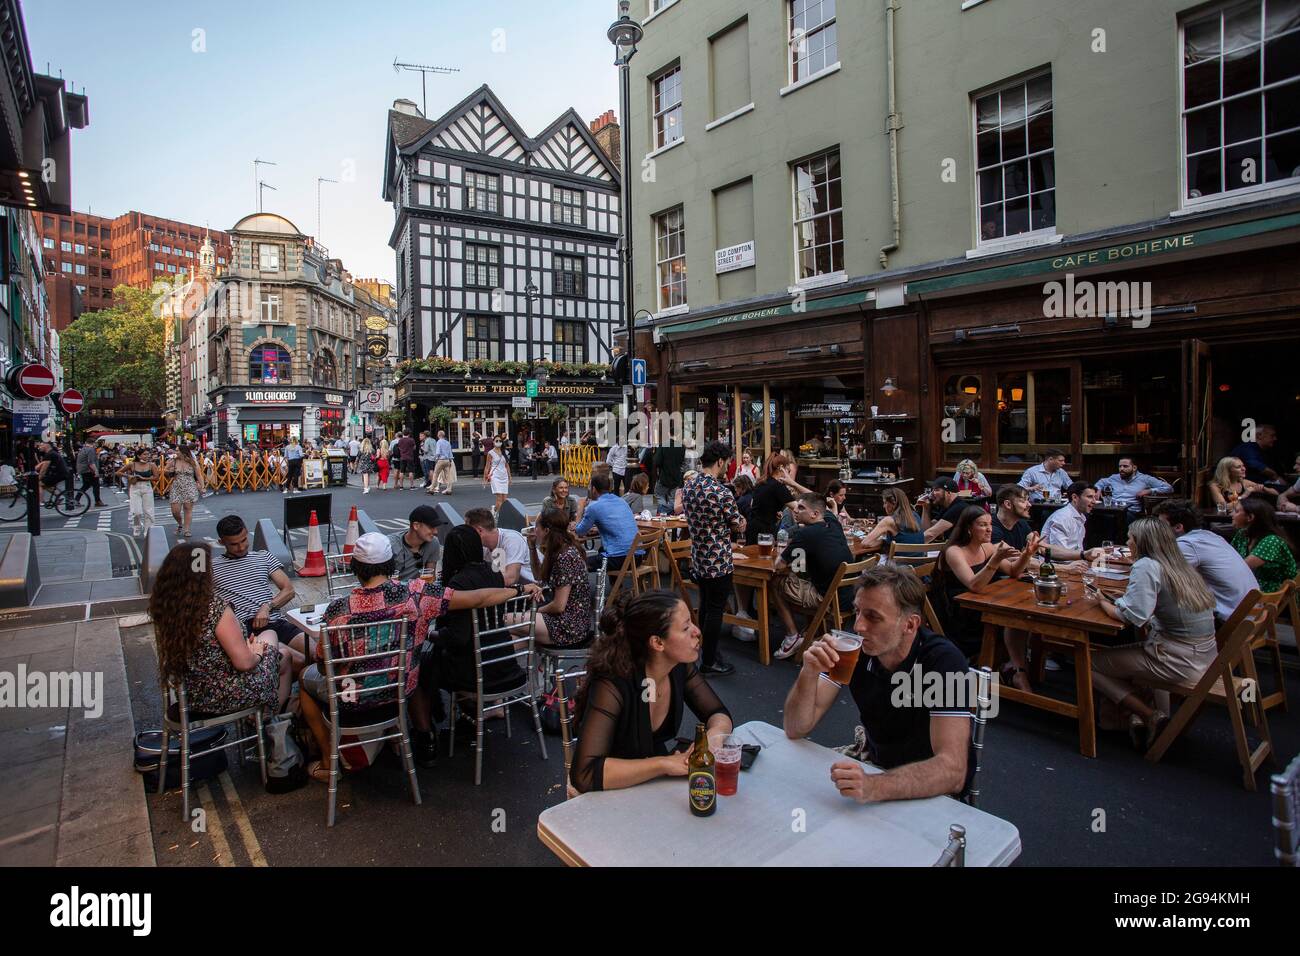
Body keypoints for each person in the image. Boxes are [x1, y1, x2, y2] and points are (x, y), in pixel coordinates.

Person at [783, 565, 973, 802]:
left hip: (930, 788)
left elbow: (952, 771)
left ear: (910, 625)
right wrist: (808, 673)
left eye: (873, 617)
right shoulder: (855, 650)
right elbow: (796, 727)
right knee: (792, 792)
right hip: (875, 765)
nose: (858, 626)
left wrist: (874, 787)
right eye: (857, 611)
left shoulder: (943, 662)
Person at [298, 532, 436, 774]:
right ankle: (396, 738)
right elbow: (469, 597)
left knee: (304, 679)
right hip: (400, 690)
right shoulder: (415, 595)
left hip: (353, 699)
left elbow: (322, 667)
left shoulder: (337, 610)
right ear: (391, 564)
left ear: (355, 568)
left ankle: (329, 763)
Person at [571, 590, 733, 793]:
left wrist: (714, 736)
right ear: (657, 643)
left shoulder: (679, 667)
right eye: (685, 628)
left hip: (652, 785)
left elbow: (718, 713)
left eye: (692, 622)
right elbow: (585, 775)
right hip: (611, 790)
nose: (697, 631)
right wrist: (663, 763)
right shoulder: (612, 684)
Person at [1092, 518, 1218, 751]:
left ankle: (1150, 715)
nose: (1127, 542)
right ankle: (1134, 718)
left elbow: (1134, 616)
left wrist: (1101, 601)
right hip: (1208, 658)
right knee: (1132, 648)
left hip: (1177, 660)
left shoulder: (1147, 565)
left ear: (1141, 542)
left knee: (1090, 664)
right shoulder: (1181, 564)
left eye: (1130, 538)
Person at [151, 543, 302, 717]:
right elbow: (244, 663)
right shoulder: (215, 608)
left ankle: (271, 714)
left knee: (272, 639)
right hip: (227, 694)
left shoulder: (166, 610)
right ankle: (268, 717)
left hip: (192, 695)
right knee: (282, 653)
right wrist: (257, 653)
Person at [425, 525, 543, 706]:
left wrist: (428, 634)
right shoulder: (494, 573)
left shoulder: (458, 583)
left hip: (478, 672)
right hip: (504, 664)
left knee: (426, 663)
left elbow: (458, 637)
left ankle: (432, 723)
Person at [929, 505, 1038, 659]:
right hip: (958, 614)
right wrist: (995, 559)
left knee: (1022, 618)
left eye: (990, 524)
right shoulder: (954, 551)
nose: (989, 529)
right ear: (968, 528)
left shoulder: (986, 547)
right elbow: (974, 585)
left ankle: (1014, 665)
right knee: (1014, 620)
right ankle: (1009, 664)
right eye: (983, 525)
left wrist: (1027, 554)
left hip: (980, 604)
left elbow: (1014, 571)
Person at [681, 441, 746, 676]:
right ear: (720, 462)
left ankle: (706, 653)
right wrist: (741, 522)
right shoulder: (721, 492)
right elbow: (736, 524)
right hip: (718, 557)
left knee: (706, 606)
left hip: (698, 555)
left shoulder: (689, 486)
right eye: (727, 463)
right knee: (715, 609)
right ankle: (709, 660)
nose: (727, 467)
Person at [770, 493, 853, 661]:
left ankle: (792, 637)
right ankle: (810, 630)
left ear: (815, 514)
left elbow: (779, 565)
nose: (795, 511)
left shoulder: (806, 534)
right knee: (803, 575)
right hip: (848, 596)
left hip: (828, 601)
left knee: (775, 581)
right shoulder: (834, 524)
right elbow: (823, 504)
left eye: (801, 508)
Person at [1153, 499, 1258, 625]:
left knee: (1162, 606)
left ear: (1178, 527)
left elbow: (1158, 575)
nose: (1156, 530)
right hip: (1251, 614)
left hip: (1231, 619)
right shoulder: (1211, 536)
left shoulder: (1187, 544)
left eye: (1160, 525)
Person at [211, 515, 302, 648]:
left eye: (243, 540)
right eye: (234, 544)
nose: (241, 547)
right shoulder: (211, 566)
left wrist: (267, 607)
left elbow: (289, 590)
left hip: (275, 620)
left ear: (247, 533)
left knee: (315, 653)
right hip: (244, 629)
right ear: (221, 542)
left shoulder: (264, 556)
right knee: (290, 658)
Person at [527, 508, 594, 646]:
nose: (534, 531)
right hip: (571, 620)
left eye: (536, 527)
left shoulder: (565, 556)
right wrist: (532, 547)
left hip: (568, 626)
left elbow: (559, 606)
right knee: (511, 635)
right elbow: (538, 576)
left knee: (505, 620)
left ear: (546, 531)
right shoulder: (560, 548)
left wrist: (534, 612)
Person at [574, 471, 639, 572]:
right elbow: (616, 524)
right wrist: (599, 530)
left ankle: (579, 588)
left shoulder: (594, 506)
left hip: (619, 559)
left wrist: (580, 508)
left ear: (594, 489)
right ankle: (617, 587)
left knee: (576, 563)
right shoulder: (621, 501)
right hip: (637, 557)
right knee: (602, 550)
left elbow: (579, 531)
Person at [1230, 498, 1297, 594]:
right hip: (1253, 587)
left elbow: (1241, 567)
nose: (1231, 514)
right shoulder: (1242, 534)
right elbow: (1227, 557)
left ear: (1250, 517)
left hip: (1277, 593)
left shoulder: (1272, 540)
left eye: (1236, 511)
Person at [745, 452, 811, 544]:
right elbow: (799, 507)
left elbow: (753, 504)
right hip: (764, 532)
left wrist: (771, 511)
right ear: (781, 468)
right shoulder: (778, 486)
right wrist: (792, 483)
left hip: (752, 527)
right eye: (788, 471)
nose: (788, 474)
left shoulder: (762, 482)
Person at [465, 507, 535, 585]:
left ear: (479, 530)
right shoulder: (484, 546)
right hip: (516, 590)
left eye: (468, 531)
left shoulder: (512, 540)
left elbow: (511, 579)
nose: (466, 535)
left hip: (538, 590)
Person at [1040, 481, 1105, 562]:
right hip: (1056, 568)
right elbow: (1059, 554)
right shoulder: (1062, 518)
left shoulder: (1080, 516)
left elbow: (1077, 548)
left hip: (1074, 564)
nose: (1094, 501)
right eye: (1090, 497)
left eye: (1094, 497)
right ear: (1075, 497)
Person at [1097, 457, 1172, 514]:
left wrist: (1149, 491)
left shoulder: (1145, 479)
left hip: (1131, 512)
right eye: (1120, 466)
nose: (1121, 469)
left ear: (1134, 468)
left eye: (1125, 466)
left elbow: (1169, 488)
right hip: (1113, 509)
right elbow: (1101, 482)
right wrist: (1098, 489)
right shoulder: (1114, 477)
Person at [388, 504, 443, 581]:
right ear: (416, 525)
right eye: (431, 527)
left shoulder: (433, 543)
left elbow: (431, 576)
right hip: (392, 590)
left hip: (417, 590)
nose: (436, 531)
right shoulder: (390, 545)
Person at [165, 444, 205, 539]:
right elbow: (164, 470)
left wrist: (202, 487)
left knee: (188, 509)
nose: (176, 452)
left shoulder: (192, 462)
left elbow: (199, 475)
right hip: (176, 486)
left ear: (183, 452)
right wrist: (169, 471)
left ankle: (187, 530)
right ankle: (180, 523)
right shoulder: (173, 461)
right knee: (175, 511)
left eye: (178, 450)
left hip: (189, 486)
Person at [117, 447, 158, 536]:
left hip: (147, 487)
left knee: (149, 510)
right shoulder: (132, 464)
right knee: (136, 511)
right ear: (139, 455)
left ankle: (148, 530)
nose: (147, 456)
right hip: (135, 487)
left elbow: (156, 477)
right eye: (145, 454)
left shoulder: (152, 465)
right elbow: (118, 472)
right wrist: (128, 476)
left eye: (148, 454)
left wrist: (145, 478)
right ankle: (137, 526)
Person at [1208, 456, 1277, 507]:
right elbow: (1223, 507)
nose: (1243, 469)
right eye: (1238, 467)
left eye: (1243, 466)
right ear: (1227, 471)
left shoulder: (1244, 482)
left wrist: (1264, 488)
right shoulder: (1215, 486)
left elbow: (1276, 494)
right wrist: (1244, 495)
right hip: (1222, 521)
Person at [920, 477, 968, 543]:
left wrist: (908, 547)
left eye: (936, 490)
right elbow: (928, 529)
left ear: (948, 492)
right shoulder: (947, 507)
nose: (932, 494)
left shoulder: (958, 508)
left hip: (965, 550)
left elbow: (931, 534)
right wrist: (925, 508)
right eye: (932, 490)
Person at [990, 484, 1033, 549]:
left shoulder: (1021, 523)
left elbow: (1042, 547)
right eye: (1023, 501)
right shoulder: (991, 528)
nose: (1029, 505)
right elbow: (1012, 556)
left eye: (1028, 500)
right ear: (1008, 504)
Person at [651, 442, 687, 515]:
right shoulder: (682, 447)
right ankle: (671, 515)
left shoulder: (663, 445)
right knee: (673, 499)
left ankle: (663, 513)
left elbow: (656, 461)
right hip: (676, 477)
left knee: (659, 496)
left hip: (664, 477)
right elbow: (682, 461)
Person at [74, 439, 104, 508]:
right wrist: (96, 471)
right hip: (89, 471)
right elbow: (91, 462)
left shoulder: (83, 449)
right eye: (95, 444)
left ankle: (76, 499)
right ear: (93, 443)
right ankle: (98, 501)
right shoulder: (90, 450)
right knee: (96, 485)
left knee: (86, 485)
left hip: (83, 470)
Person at [484, 438, 509, 513]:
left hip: (504, 476)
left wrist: (510, 477)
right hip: (495, 476)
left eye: (500, 441)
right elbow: (487, 466)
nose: (498, 442)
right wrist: (485, 477)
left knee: (504, 499)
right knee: (499, 498)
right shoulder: (490, 453)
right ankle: (500, 517)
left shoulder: (505, 452)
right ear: (493, 442)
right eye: (496, 441)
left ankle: (494, 510)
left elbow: (507, 465)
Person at [431, 429, 455, 495]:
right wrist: (450, 460)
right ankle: (449, 489)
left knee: (435, 474)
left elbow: (438, 452)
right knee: (448, 476)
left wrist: (436, 459)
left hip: (441, 460)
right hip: (447, 460)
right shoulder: (447, 442)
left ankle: (432, 489)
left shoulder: (439, 442)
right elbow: (450, 452)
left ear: (438, 435)